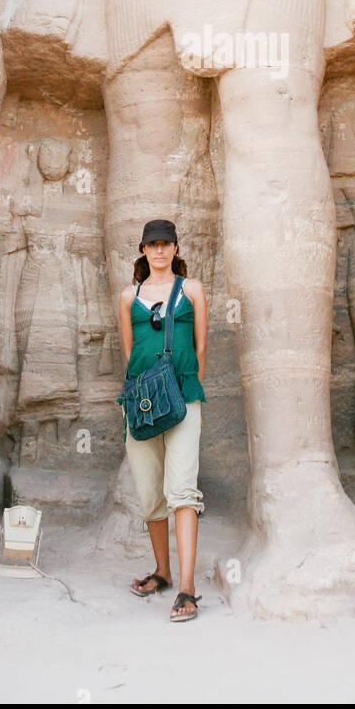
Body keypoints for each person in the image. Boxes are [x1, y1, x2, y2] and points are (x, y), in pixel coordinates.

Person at [118, 218, 208, 622]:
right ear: (142, 250)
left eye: (165, 244)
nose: (158, 251)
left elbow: (201, 351)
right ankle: (163, 572)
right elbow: (129, 353)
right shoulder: (128, 296)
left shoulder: (192, 290)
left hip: (184, 399)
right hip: (141, 403)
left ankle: (188, 589)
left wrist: (181, 389)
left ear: (175, 248)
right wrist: (144, 393)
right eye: (151, 245)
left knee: (183, 491)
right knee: (150, 492)